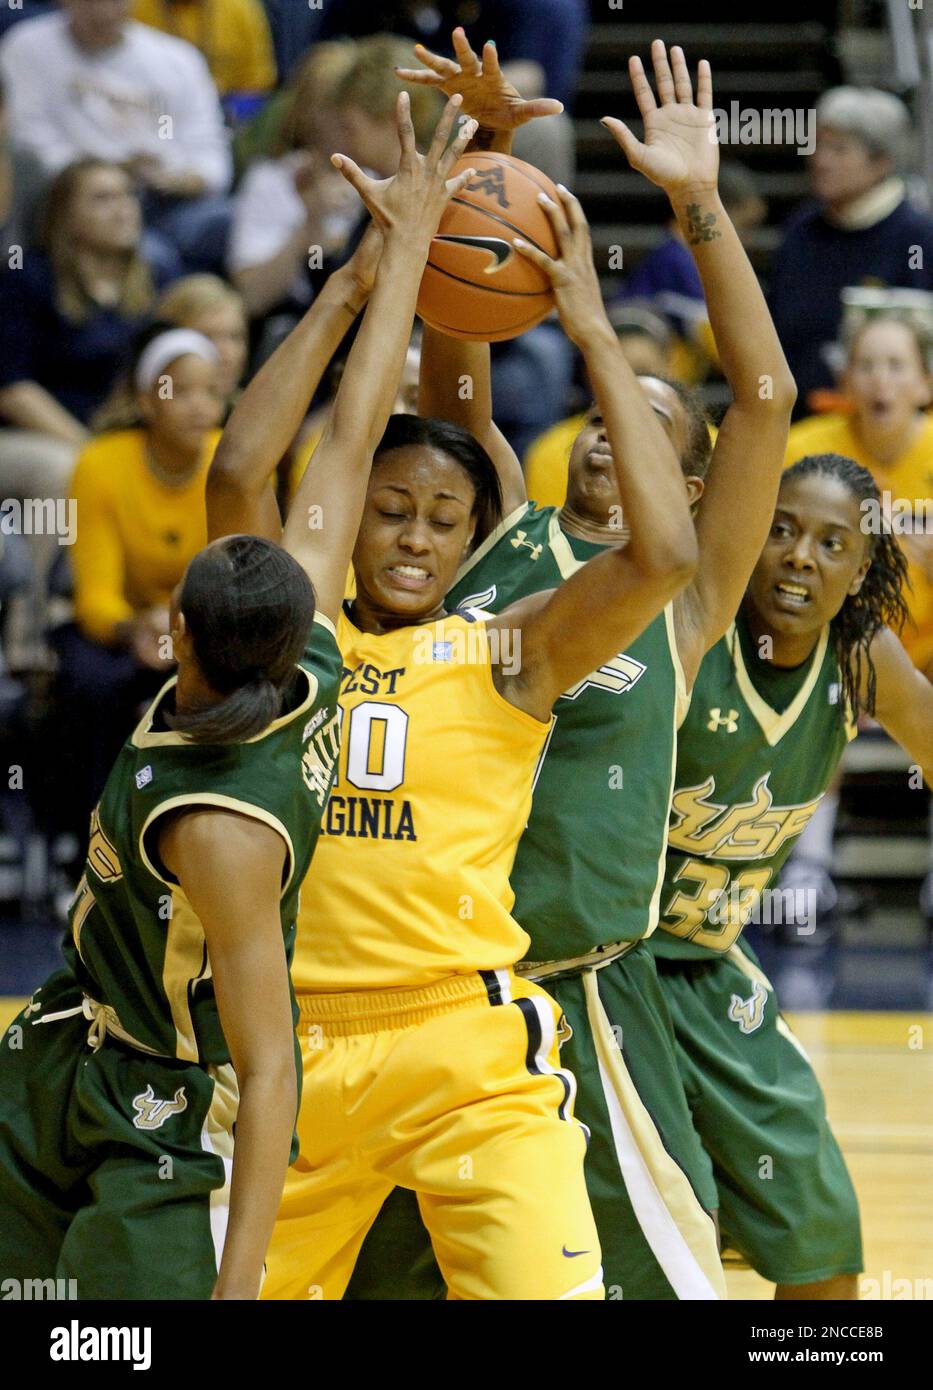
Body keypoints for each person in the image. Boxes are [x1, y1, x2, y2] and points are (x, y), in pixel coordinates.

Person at [208, 88, 700, 1300]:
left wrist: (594, 331)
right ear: (350, 518)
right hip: (290, 1050)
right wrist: (369, 274)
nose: (415, 537)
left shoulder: (508, 653)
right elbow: (243, 468)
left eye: (444, 518)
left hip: (467, 1040)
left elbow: (664, 558)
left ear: (478, 541)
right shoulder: (293, 634)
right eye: (388, 510)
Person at [346, 37, 796, 1302]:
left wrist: (695, 205)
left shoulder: (688, 589)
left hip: (589, 1001)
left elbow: (764, 397)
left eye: (653, 420)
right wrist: (486, 157)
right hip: (417, 991)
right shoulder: (484, 530)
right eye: (605, 413)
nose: (614, 428)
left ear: (692, 478)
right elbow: (457, 335)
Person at [0, 195, 443, 1294]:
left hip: (166, 1100)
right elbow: (334, 437)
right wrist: (379, 267)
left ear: (178, 633)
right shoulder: (313, 649)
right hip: (68, 1038)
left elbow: (268, 1063)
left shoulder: (221, 829)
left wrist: (238, 1280)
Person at [648, 453, 933, 1299]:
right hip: (605, 967)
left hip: (708, 970)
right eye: (780, 529)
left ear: (859, 573)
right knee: (652, 1231)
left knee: (821, 1241)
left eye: (830, 542)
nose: (801, 555)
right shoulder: (684, 624)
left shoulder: (860, 660)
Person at [781, 312, 933, 923]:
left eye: (897, 366)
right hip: (841, 639)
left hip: (925, 650)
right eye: (866, 364)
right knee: (821, 668)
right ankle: (807, 867)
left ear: (924, 384)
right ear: (845, 378)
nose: (881, 381)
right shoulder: (806, 449)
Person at [55, 326, 225, 835]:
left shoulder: (230, 460)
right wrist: (138, 628)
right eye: (182, 390)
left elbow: (238, 573)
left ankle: (205, 826)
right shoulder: (101, 464)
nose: (199, 405)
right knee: (89, 681)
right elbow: (95, 597)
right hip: (124, 630)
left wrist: (184, 625)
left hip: (203, 627)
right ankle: (89, 834)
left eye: (211, 392)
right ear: (148, 400)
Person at [0, 158, 166, 668]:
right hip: (23, 439)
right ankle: (29, 625)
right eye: (102, 198)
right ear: (65, 215)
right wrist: (90, 448)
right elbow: (13, 390)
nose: (122, 209)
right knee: (63, 470)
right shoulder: (28, 278)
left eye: (126, 195)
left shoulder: (149, 284)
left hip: (106, 440)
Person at [0, 0, 232, 270]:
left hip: (170, 198)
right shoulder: (27, 48)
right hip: (74, 198)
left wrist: (183, 179)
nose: (104, 9)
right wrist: (112, 170)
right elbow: (27, 144)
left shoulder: (177, 59)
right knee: (154, 258)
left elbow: (212, 157)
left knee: (230, 224)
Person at [769, 86, 933, 416]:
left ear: (881, 162)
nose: (821, 161)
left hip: (888, 428)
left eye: (839, 150)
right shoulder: (800, 230)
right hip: (800, 420)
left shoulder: (917, 236)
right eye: (818, 146)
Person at [131, 0, 277, 100]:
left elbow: (259, 83)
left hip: (229, 113)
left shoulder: (240, 7)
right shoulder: (134, 8)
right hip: (155, 109)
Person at [155, 274, 249, 406]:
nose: (227, 355)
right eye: (207, 337)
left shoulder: (257, 413)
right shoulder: (135, 423)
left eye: (235, 337)